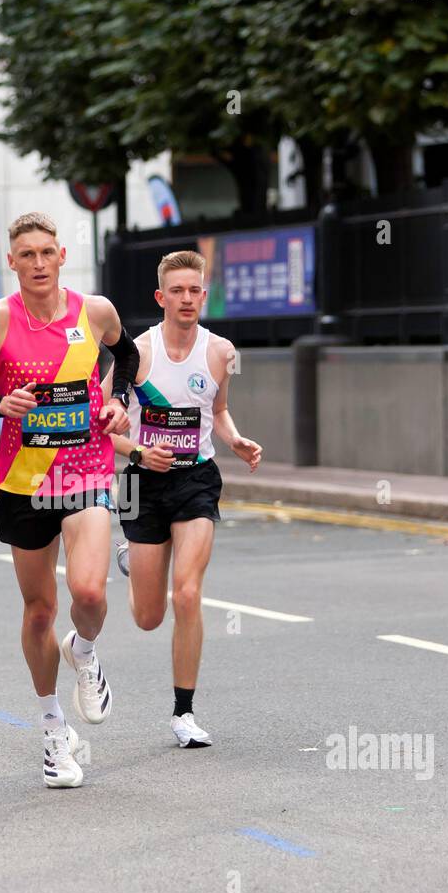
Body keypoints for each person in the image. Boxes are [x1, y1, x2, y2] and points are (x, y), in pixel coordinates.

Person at [0, 212, 138, 789]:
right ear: (12, 262)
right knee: (38, 611)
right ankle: (53, 730)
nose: (37, 264)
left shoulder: (94, 312)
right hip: (25, 482)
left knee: (88, 593)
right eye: (25, 255)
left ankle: (85, 648)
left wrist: (118, 400)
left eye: (46, 252)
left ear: (61, 256)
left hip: (86, 472)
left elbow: (125, 358)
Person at [109, 250, 262, 748]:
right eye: (177, 290)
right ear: (161, 297)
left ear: (203, 294)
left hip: (196, 478)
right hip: (139, 482)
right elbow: (104, 427)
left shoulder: (221, 351)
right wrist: (137, 451)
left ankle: (184, 714)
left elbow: (217, 409)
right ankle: (130, 557)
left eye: (195, 290)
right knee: (148, 617)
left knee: (189, 594)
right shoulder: (135, 353)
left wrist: (234, 438)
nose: (187, 298)